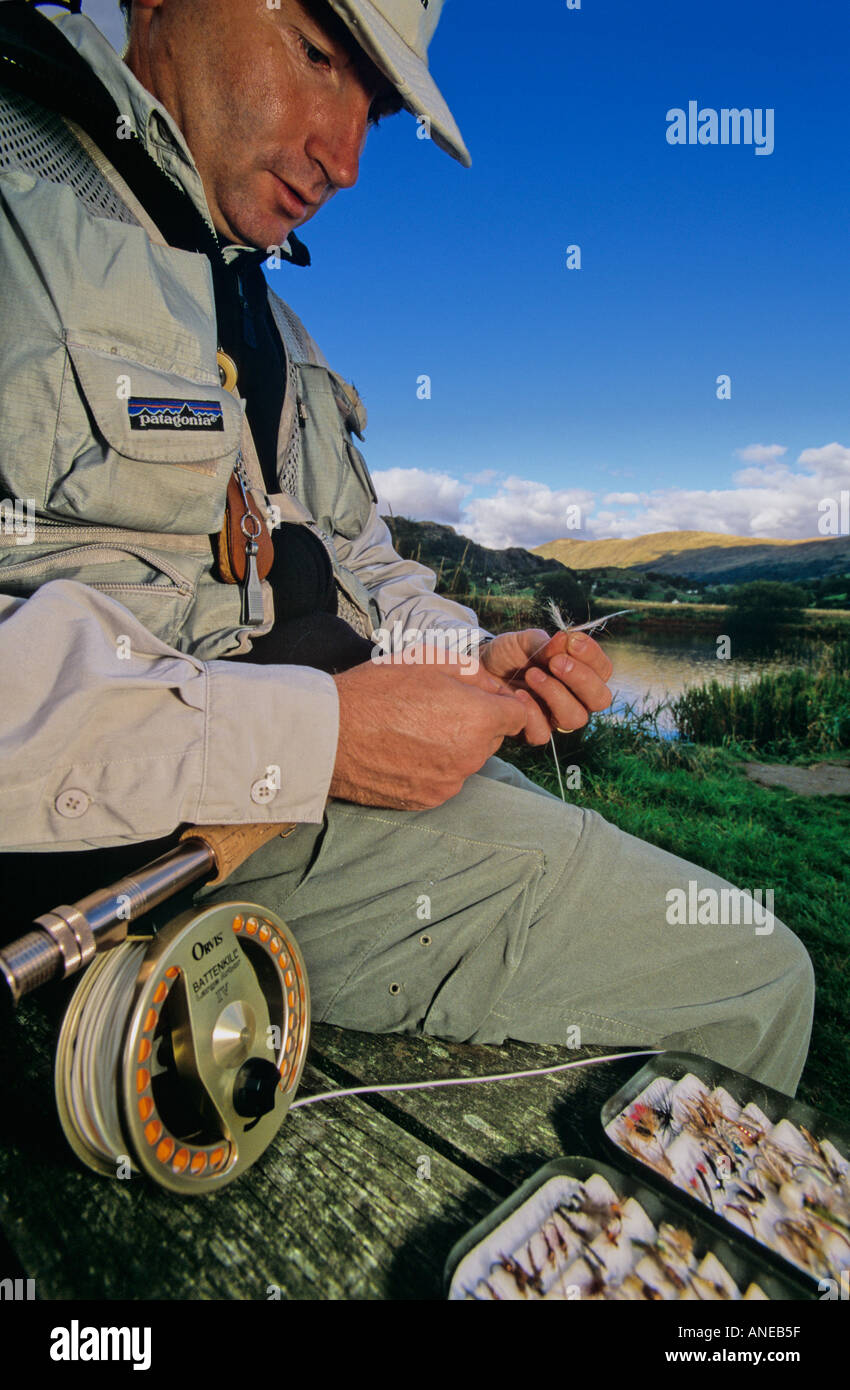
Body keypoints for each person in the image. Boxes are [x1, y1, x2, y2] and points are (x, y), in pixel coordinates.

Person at [0, 0, 814, 1095]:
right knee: (757, 977)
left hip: (295, 802)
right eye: (317, 54)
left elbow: (365, 567)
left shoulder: (270, 326)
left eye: (372, 111)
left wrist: (468, 656)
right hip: (136, 859)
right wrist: (316, 739)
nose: (342, 157)